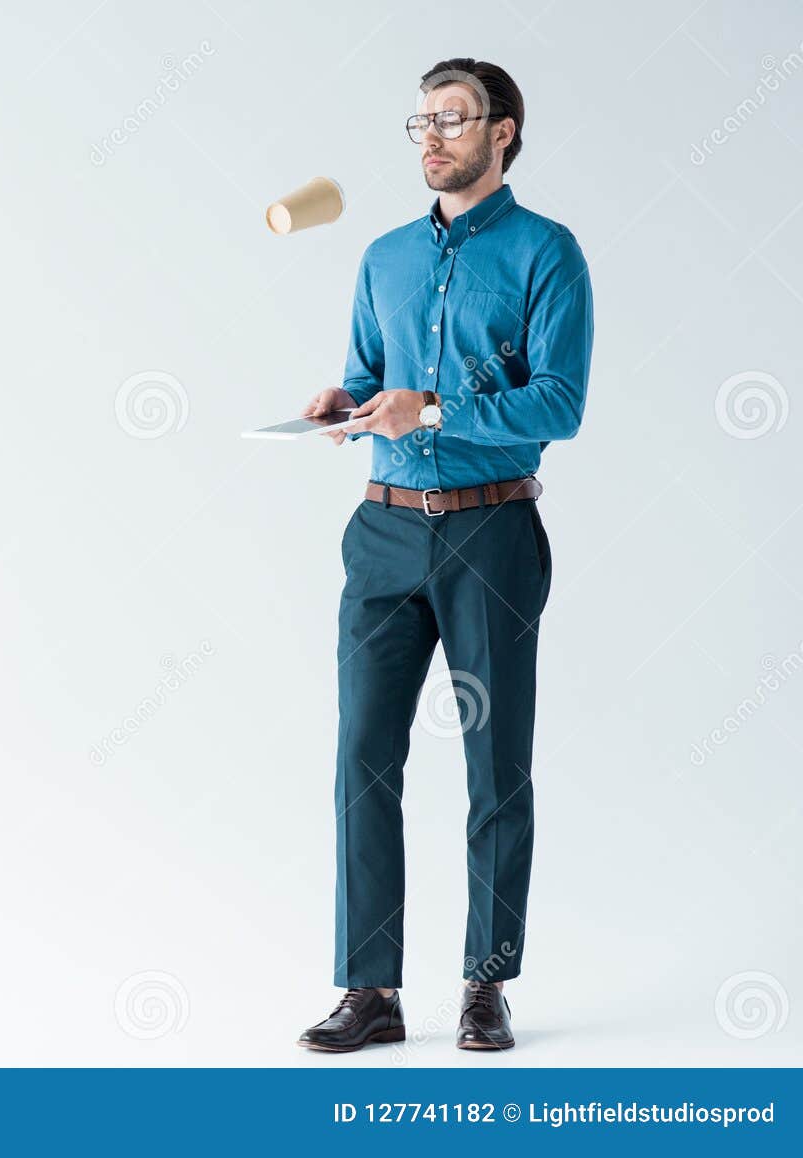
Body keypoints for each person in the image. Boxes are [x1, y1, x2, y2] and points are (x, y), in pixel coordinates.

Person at [294, 58, 593, 1053]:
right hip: (381, 531)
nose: (430, 137)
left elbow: (559, 404)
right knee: (361, 759)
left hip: (490, 532)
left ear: (501, 131)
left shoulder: (547, 254)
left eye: (452, 119)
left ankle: (485, 983)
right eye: (419, 120)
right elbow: (366, 377)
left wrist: (440, 407)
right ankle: (370, 991)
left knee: (494, 763)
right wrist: (342, 407)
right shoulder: (381, 257)